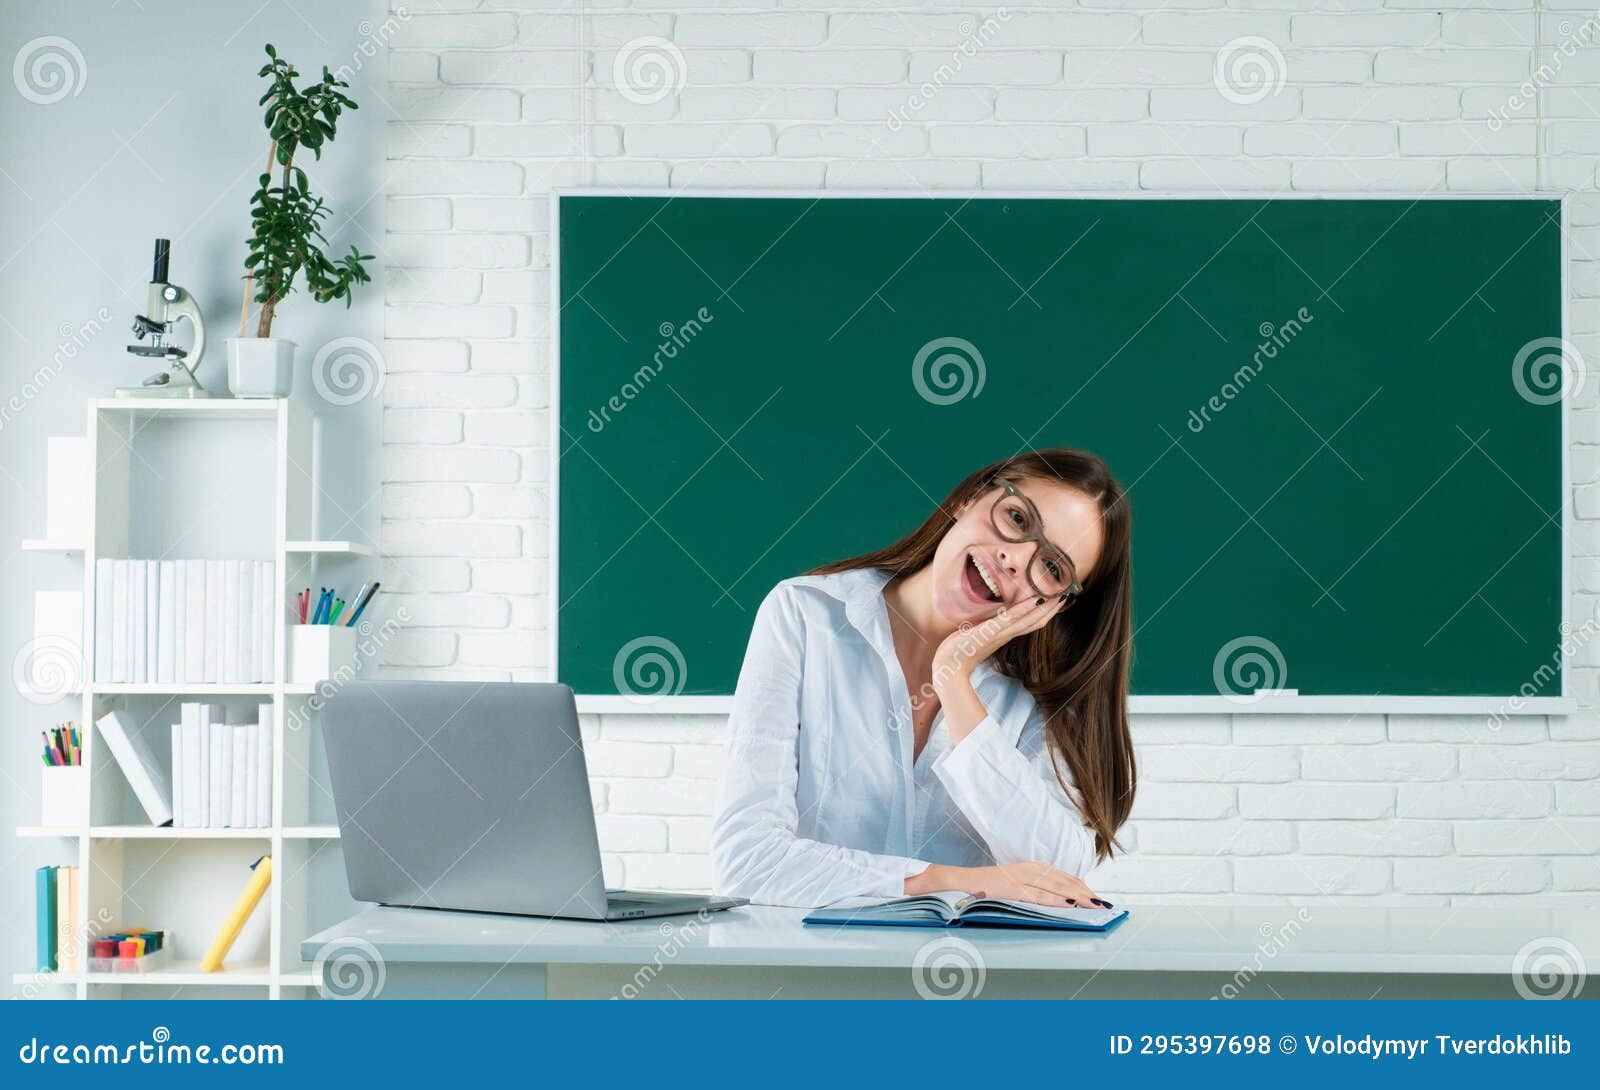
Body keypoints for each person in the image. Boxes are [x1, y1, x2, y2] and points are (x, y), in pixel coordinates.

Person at [711, 448, 1135, 909]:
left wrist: (955, 683)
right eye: (1017, 518)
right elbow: (747, 862)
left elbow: (1055, 875)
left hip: (979, 973)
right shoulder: (804, 616)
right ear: (970, 499)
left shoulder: (1040, 692)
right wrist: (950, 880)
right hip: (816, 971)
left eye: (1053, 568)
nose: (1015, 560)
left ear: (1056, 605)